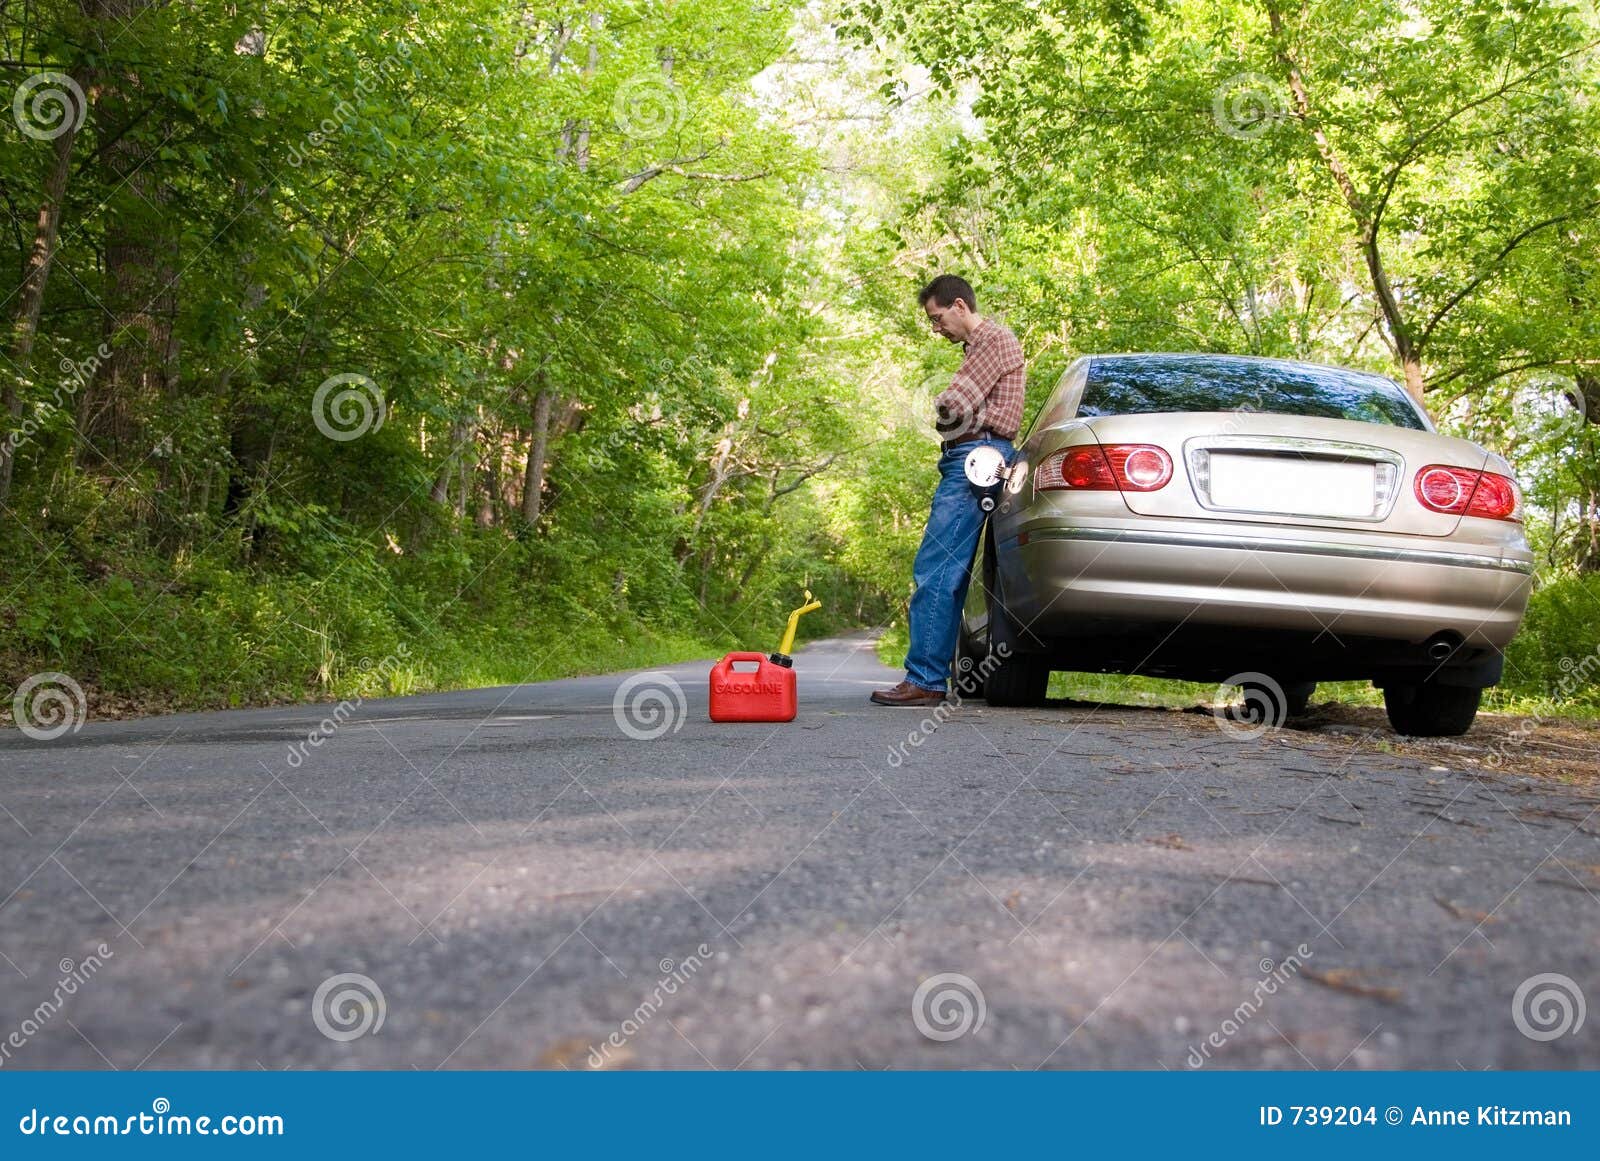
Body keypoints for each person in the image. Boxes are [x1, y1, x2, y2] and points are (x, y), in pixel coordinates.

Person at [871, 274, 1027, 707]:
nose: (935, 328)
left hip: (975, 458)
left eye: (937, 318)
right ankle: (929, 675)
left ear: (960, 306)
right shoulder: (981, 347)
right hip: (977, 455)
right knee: (949, 570)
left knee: (935, 568)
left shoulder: (991, 339)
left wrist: (947, 411)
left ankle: (924, 679)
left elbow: (951, 405)